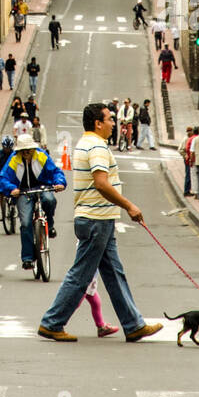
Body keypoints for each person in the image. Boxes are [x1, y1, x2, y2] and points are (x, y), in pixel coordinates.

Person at [37, 103, 162, 343]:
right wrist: (129, 206)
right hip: (96, 219)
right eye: (109, 119)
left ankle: (133, 324)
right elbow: (101, 183)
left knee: (114, 273)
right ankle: (52, 322)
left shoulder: (86, 142)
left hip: (99, 219)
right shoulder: (96, 146)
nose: (113, 124)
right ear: (98, 123)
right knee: (81, 275)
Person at [0, 133, 66, 268]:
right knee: (25, 222)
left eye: (28, 149)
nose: (26, 152)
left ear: (33, 149)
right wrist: (12, 188)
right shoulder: (14, 159)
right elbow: (3, 178)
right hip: (23, 191)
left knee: (49, 200)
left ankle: (50, 226)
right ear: (19, 151)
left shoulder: (41, 155)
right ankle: (28, 258)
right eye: (23, 150)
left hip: (43, 187)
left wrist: (59, 183)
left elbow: (56, 172)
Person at [85, 272, 119, 337]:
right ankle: (59, 321)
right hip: (85, 276)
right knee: (75, 302)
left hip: (90, 276)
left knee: (95, 302)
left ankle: (101, 327)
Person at [178, 126, 196, 196]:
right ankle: (186, 191)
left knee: (190, 174)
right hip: (187, 159)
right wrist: (185, 155)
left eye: (190, 131)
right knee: (188, 174)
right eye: (188, 132)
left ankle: (189, 189)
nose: (189, 133)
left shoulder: (192, 138)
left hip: (190, 159)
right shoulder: (185, 139)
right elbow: (180, 150)